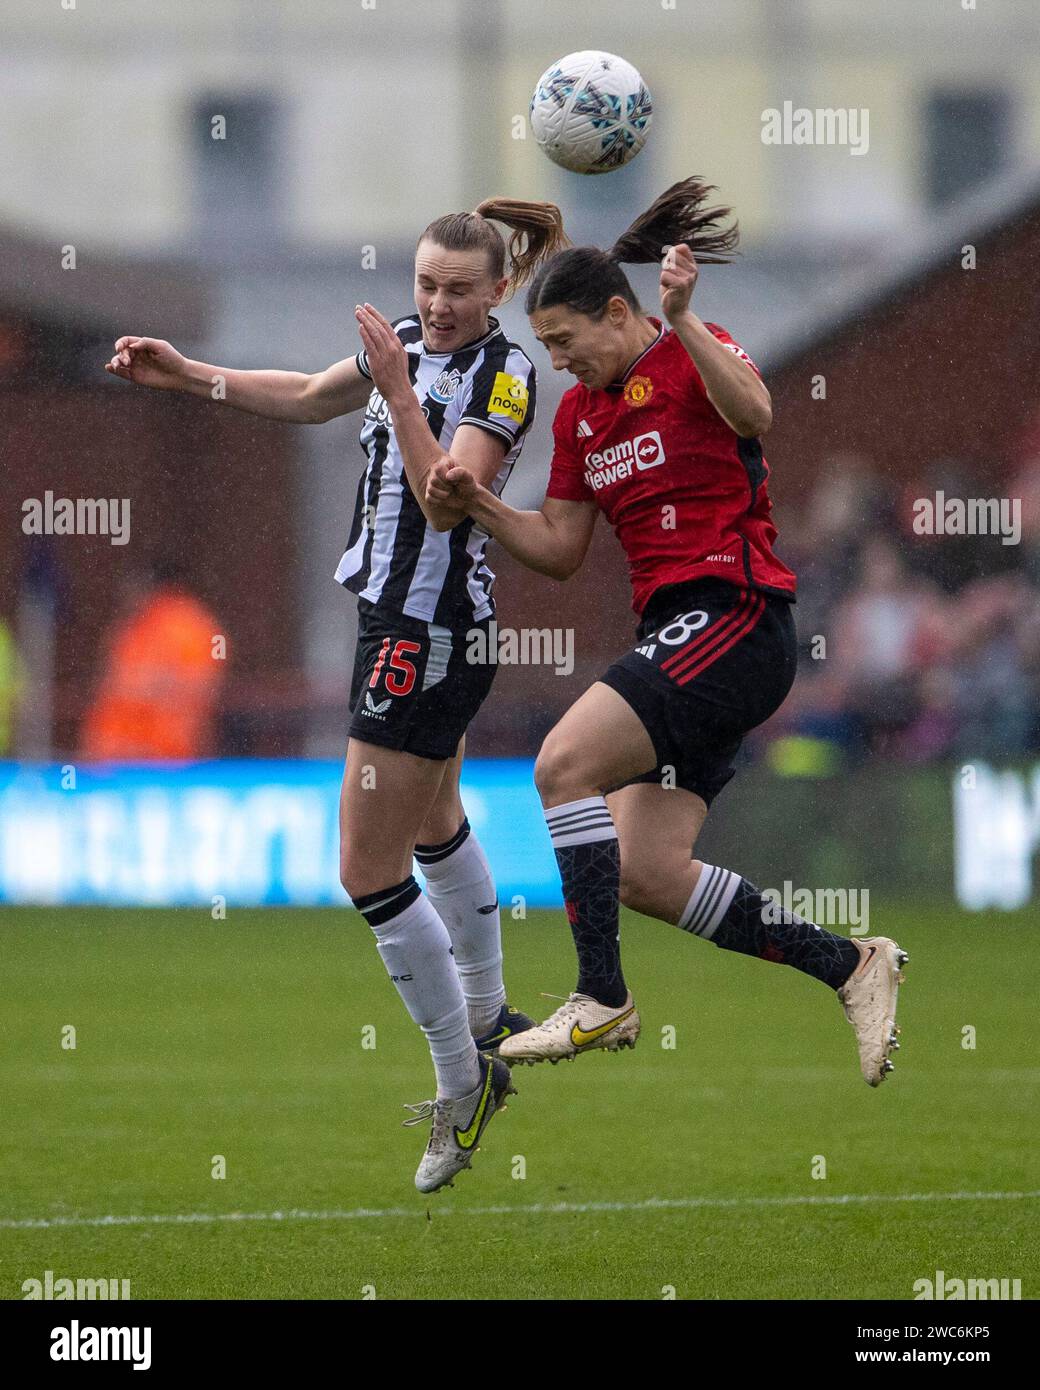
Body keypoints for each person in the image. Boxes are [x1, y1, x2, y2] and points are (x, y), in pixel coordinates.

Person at [105, 198, 569, 1191]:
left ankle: (463, 1077)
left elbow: (449, 500)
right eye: (424, 285)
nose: (435, 305)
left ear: (496, 292)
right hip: (392, 621)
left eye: (455, 290)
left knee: (366, 866)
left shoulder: (507, 373)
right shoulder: (403, 344)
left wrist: (401, 395)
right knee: (436, 825)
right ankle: (490, 1020)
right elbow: (314, 395)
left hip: (426, 632)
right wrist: (190, 373)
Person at [426, 177, 908, 1088]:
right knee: (648, 872)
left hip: (736, 616)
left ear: (619, 313)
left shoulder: (696, 351)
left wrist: (684, 320)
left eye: (567, 344)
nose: (561, 364)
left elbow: (757, 415)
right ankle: (847, 964)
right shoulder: (580, 416)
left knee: (562, 766)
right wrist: (480, 502)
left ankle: (599, 995)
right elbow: (561, 549)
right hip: (680, 636)